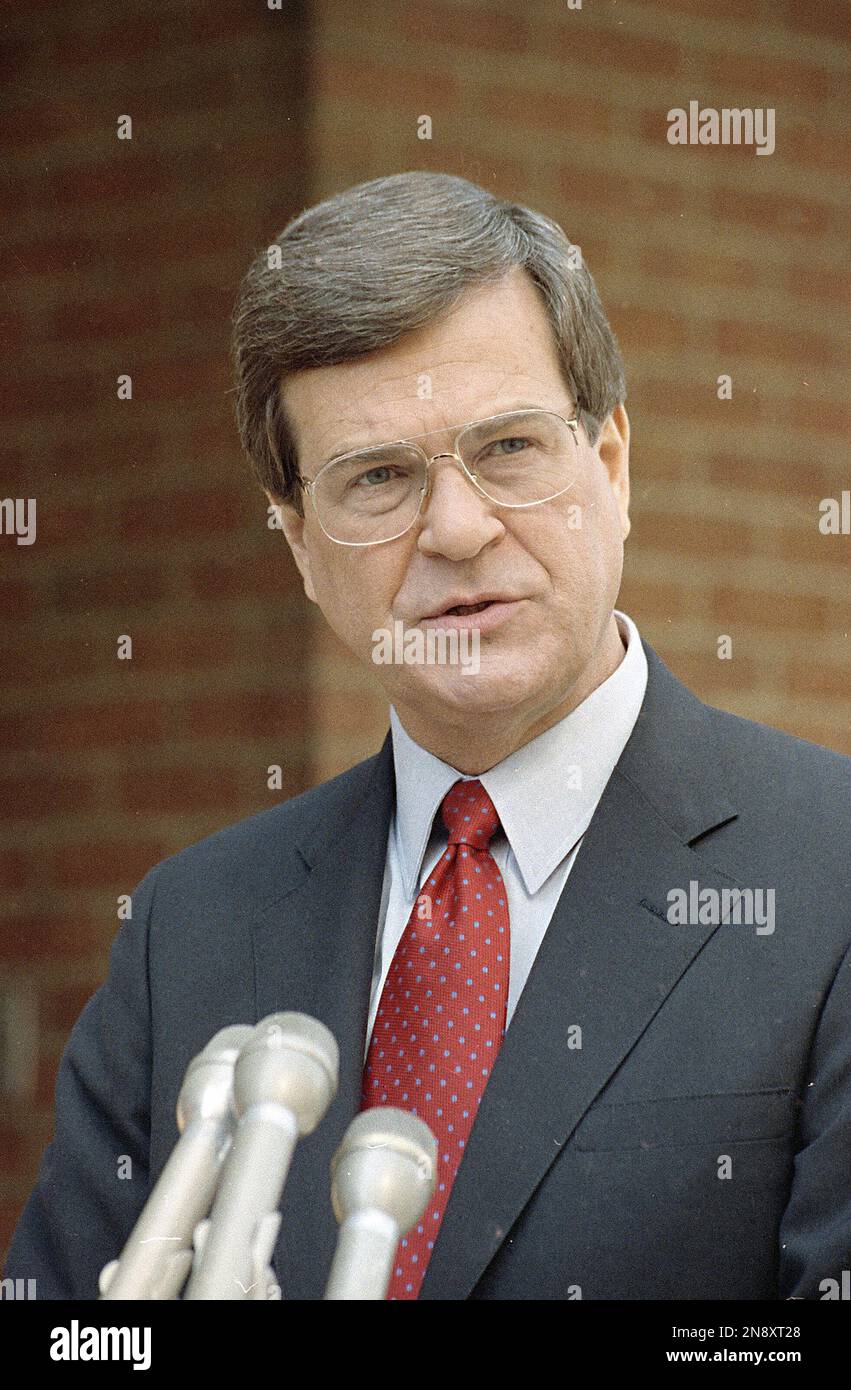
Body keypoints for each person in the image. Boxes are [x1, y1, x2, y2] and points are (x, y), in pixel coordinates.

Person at [5, 171, 849, 1300]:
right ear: (302, 547)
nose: (455, 528)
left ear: (609, 467)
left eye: (507, 448)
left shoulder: (826, 872)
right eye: (378, 478)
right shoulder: (187, 928)